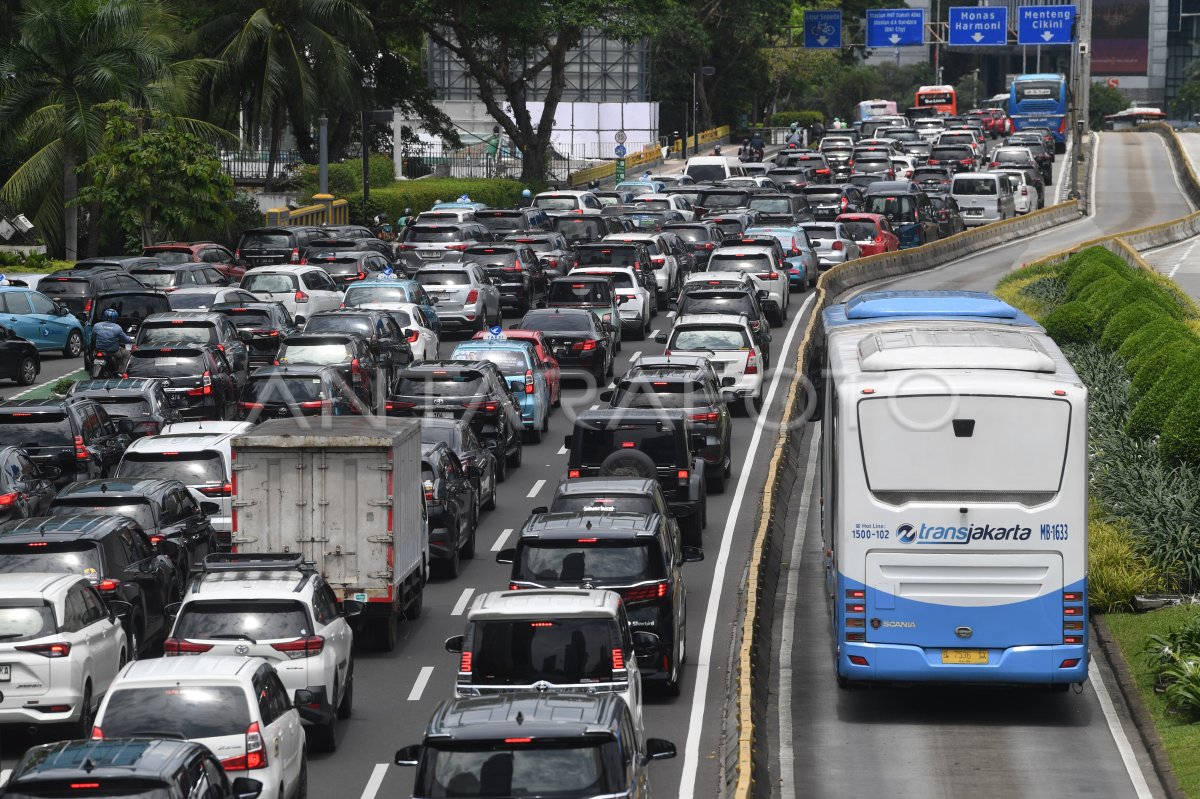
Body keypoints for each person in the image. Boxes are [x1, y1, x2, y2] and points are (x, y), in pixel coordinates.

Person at [92, 308, 132, 375]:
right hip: (113, 352)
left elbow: (93, 337)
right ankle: (120, 372)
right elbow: (125, 339)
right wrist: (130, 340)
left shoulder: (96, 325)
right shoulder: (117, 328)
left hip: (98, 350)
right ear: (115, 317)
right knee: (127, 354)